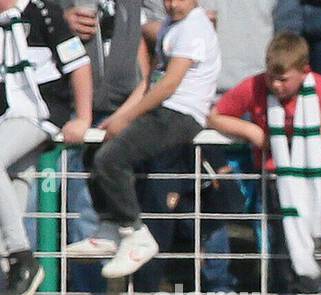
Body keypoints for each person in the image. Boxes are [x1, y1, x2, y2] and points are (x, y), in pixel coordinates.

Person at [208, 31, 321, 295]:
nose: (276, 86)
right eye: (273, 79)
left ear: (304, 72)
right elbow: (217, 116)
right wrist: (252, 132)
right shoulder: (255, 86)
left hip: (313, 180)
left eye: (284, 80)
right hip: (275, 178)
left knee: (313, 239)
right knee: (278, 243)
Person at [66, 0, 220, 280]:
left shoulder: (195, 28)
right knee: (95, 149)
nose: (172, 5)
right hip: (162, 108)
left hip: (182, 114)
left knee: (112, 159)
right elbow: (150, 79)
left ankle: (136, 233)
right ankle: (110, 226)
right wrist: (118, 118)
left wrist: (128, 117)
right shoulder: (171, 27)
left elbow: (170, 84)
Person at [62, 0, 164, 295]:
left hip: (115, 115)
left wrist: (125, 115)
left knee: (95, 217)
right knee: (54, 217)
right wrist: (62, 23)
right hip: (62, 112)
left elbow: (143, 62)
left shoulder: (133, 5)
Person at [0, 0, 91, 295]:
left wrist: (83, 117)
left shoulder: (42, 12)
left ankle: (22, 255)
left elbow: (78, 64)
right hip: (7, 117)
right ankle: (11, 280)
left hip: (40, 113)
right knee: (13, 190)